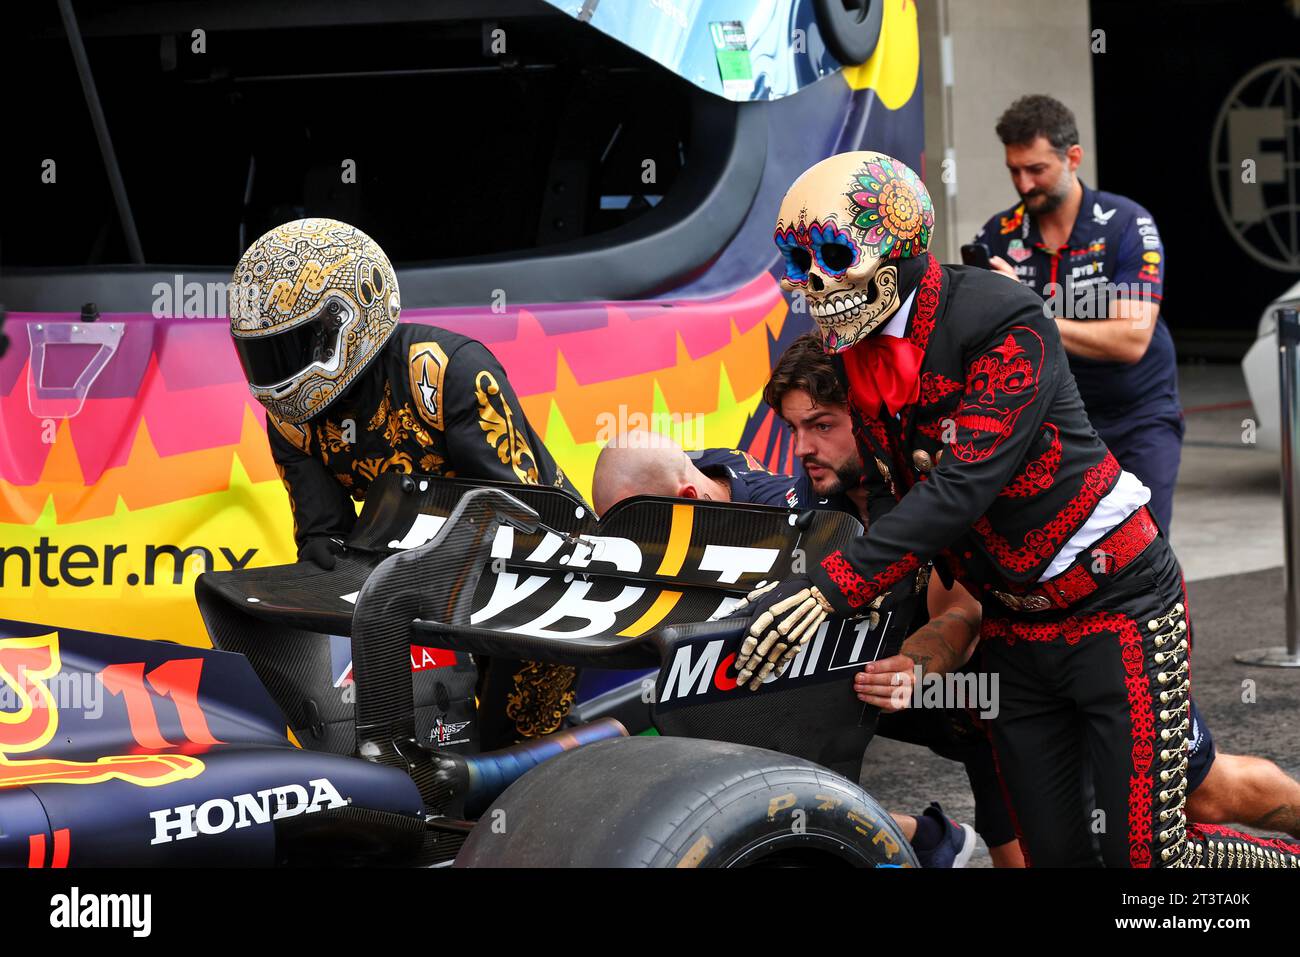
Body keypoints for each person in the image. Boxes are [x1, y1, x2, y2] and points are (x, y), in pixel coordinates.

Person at [735, 149, 1300, 866]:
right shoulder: (856, 347)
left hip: (1115, 602)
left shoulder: (1001, 314)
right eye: (798, 260)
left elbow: (963, 486)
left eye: (834, 255)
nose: (813, 283)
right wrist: (867, 607)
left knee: (1148, 859)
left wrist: (833, 587)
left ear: (899, 251)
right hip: (1014, 626)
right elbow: (888, 487)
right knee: (1052, 856)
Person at [227, 217, 580, 750]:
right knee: (402, 733)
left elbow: (525, 520)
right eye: (267, 354)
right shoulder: (290, 420)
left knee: (512, 740)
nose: (280, 372)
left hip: (545, 571)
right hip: (426, 574)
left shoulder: (448, 371)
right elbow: (327, 545)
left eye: (298, 346)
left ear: (353, 316)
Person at [593, 429, 1017, 868]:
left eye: (821, 426)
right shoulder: (697, 480)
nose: (802, 448)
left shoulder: (816, 521)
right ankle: (925, 837)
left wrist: (913, 666)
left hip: (956, 691)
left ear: (688, 496)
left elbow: (964, 617)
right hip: (841, 686)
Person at [976, 94, 1183, 532]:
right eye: (1014, 170)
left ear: (1073, 158)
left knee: (1143, 547)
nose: (1024, 184)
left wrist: (1028, 309)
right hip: (1050, 421)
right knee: (1061, 556)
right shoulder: (1000, 232)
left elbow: (1131, 340)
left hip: (1137, 416)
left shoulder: (1127, 223)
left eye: (1036, 170)